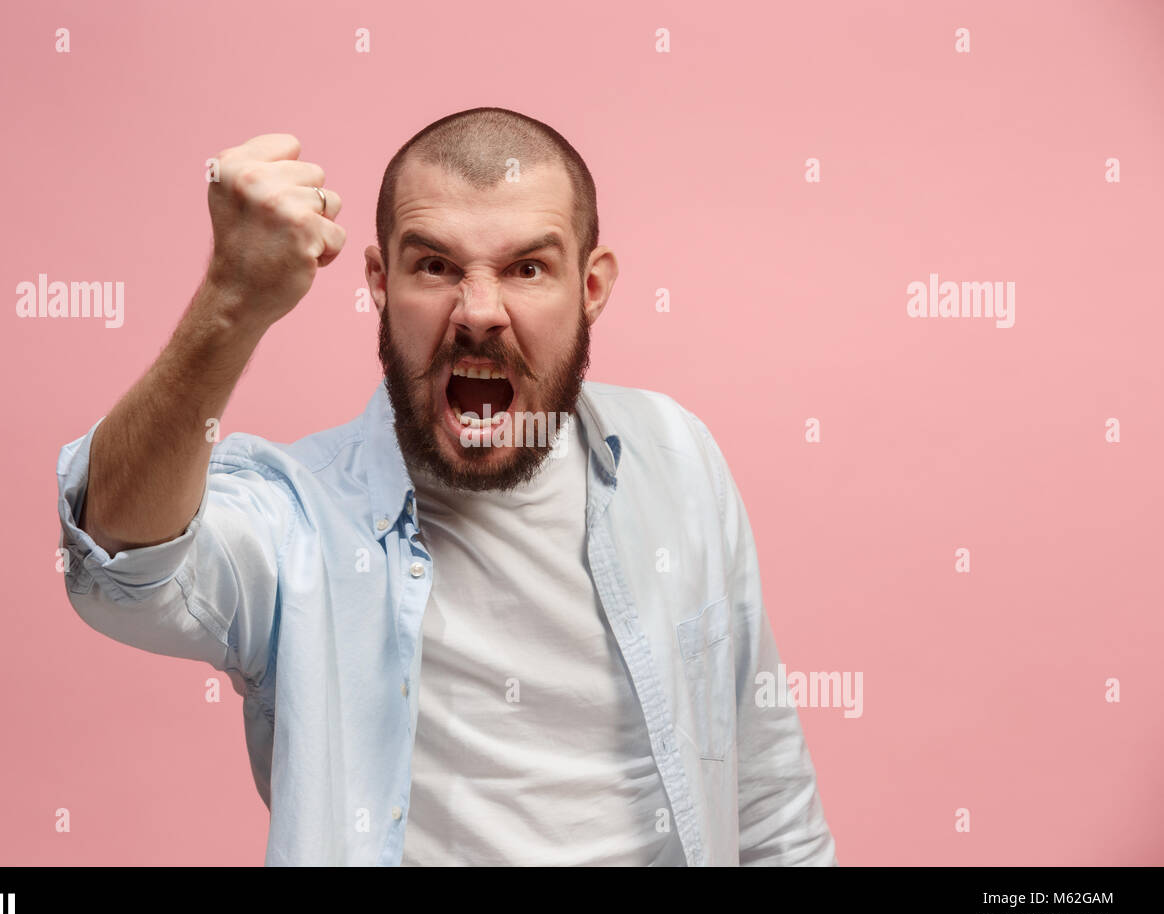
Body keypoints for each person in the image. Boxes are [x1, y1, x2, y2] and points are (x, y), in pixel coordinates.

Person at [55, 106, 838, 866]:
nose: (479, 312)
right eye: (435, 266)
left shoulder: (676, 455)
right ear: (379, 280)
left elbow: (769, 803)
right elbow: (117, 564)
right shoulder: (297, 520)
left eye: (527, 267)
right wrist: (233, 299)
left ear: (592, 288)